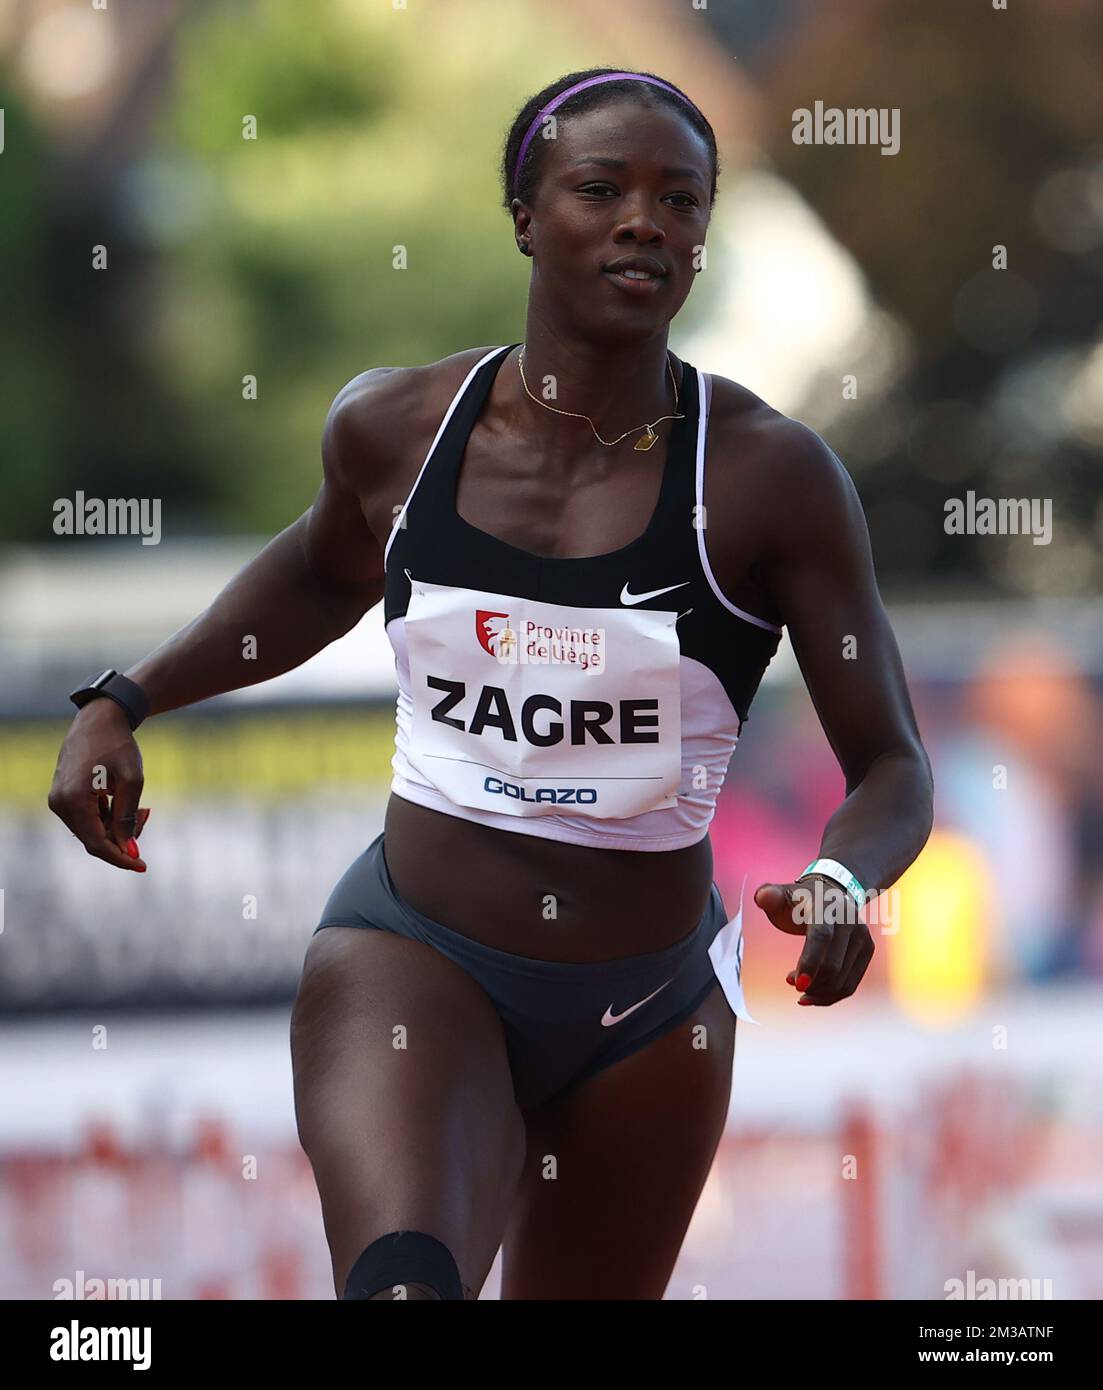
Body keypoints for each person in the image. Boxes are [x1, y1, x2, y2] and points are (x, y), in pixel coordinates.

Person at [48, 68, 934, 1301]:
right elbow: (310, 584)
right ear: (523, 214)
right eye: (600, 189)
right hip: (415, 961)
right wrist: (121, 700)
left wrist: (843, 876)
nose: (644, 222)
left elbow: (888, 763)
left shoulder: (768, 479)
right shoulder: (398, 428)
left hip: (651, 1014)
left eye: (679, 200)